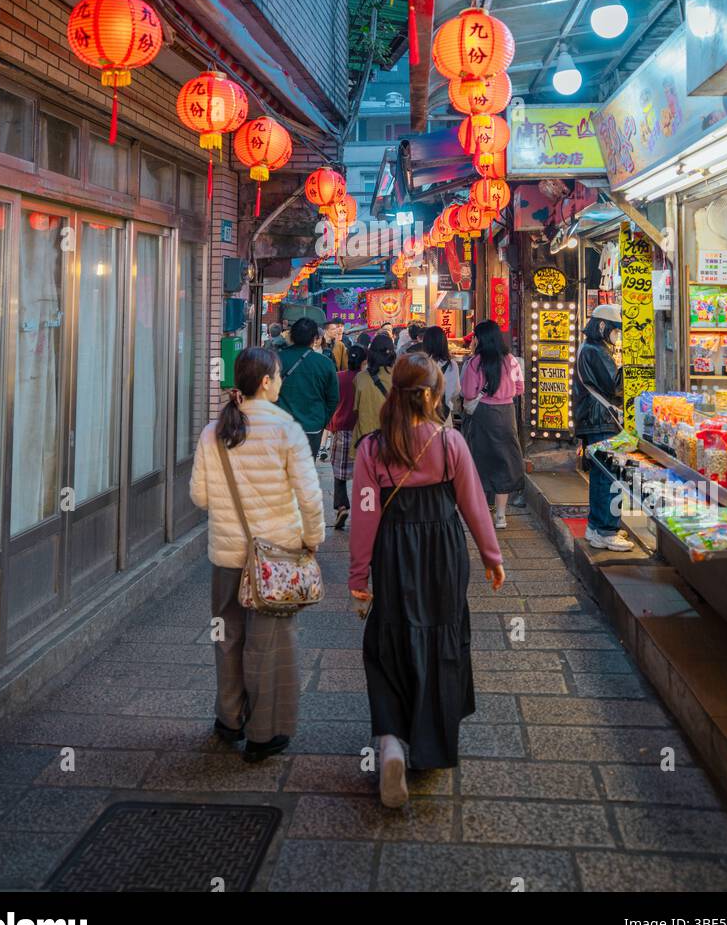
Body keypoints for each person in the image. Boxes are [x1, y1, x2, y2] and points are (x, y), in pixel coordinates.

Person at [349, 352, 505, 806]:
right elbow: (474, 503)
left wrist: (360, 576)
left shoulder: (372, 449)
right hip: (443, 551)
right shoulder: (449, 442)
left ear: (395, 392)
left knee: (389, 639)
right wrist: (492, 556)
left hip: (393, 552)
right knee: (443, 637)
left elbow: (363, 515)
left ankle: (392, 741)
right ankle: (431, 744)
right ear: (435, 394)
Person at [189, 346, 324, 763]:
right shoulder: (286, 429)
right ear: (265, 381)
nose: (281, 382)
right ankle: (264, 733)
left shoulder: (214, 431)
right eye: (278, 375)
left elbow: (198, 496)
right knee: (267, 644)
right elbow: (310, 497)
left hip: (227, 557)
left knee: (227, 638)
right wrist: (312, 539)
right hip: (276, 559)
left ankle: (229, 719)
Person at [573, 304, 634, 552]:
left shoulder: (587, 348)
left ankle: (596, 527)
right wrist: (631, 366)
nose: (616, 336)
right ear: (602, 327)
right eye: (615, 331)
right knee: (610, 475)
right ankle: (607, 530)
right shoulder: (596, 351)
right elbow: (615, 386)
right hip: (601, 420)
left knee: (600, 474)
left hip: (592, 420)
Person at [461, 319, 526, 531]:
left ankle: (481, 512)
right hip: (506, 415)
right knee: (504, 461)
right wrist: (504, 394)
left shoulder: (475, 363)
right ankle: (501, 516)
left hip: (483, 415)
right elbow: (519, 388)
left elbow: (469, 393)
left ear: (481, 338)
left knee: (481, 459)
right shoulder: (511, 360)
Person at [276, 317, 339, 458]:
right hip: (312, 427)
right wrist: (322, 420)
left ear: (291, 335)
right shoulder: (325, 363)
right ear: (315, 338)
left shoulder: (277, 359)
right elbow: (333, 398)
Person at [329, 343, 367, 529]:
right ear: (364, 361)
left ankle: (342, 506)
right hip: (363, 432)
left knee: (339, 474)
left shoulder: (338, 378)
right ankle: (365, 509)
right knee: (364, 474)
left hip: (341, 429)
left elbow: (331, 401)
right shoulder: (366, 379)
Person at [351, 332, 396, 454]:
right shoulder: (399, 377)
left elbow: (356, 409)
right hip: (392, 439)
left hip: (365, 440)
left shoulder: (360, 378)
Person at [421, 325, 460, 424]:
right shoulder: (452, 365)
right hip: (444, 416)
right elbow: (456, 390)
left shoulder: (421, 364)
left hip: (424, 416)